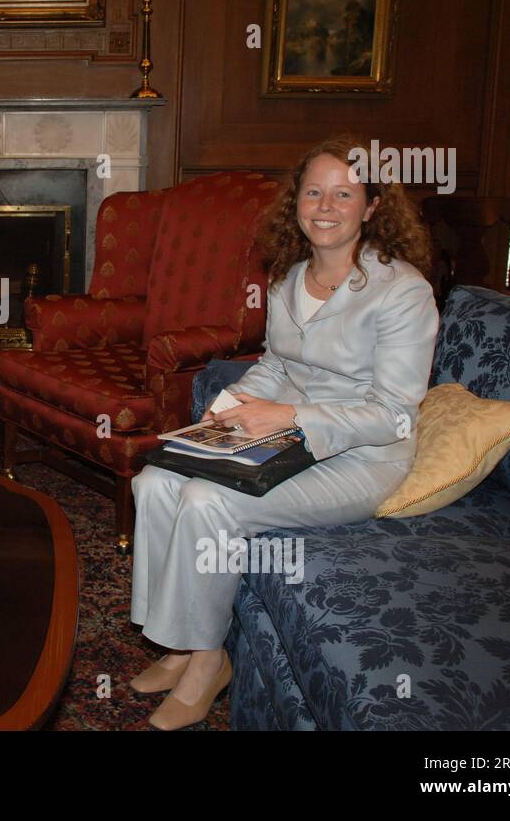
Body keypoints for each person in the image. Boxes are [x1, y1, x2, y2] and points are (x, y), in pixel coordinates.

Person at [128, 134, 439, 730]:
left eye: (343, 194)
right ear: (295, 203)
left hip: (363, 457)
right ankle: (181, 642)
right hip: (283, 439)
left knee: (207, 501)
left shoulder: (402, 293)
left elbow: (396, 411)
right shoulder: (288, 278)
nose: (325, 206)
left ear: (372, 207)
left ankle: (208, 663)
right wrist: (234, 403)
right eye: (313, 192)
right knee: (154, 482)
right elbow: (276, 363)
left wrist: (292, 416)